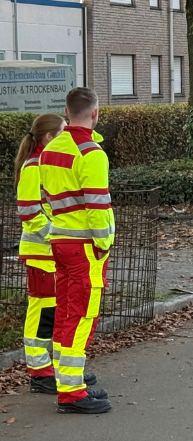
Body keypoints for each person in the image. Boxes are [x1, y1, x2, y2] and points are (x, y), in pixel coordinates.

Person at [39, 87, 115, 414]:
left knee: (67, 311)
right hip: (85, 246)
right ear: (95, 114)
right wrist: (104, 242)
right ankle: (71, 392)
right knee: (82, 313)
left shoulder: (50, 149)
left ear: (66, 112)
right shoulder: (91, 153)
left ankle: (67, 378)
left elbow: (45, 198)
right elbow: (97, 204)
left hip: (60, 241)